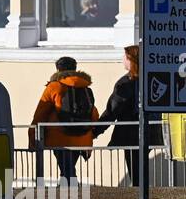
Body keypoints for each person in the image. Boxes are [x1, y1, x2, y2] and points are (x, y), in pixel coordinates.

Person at [98, 46, 162, 187]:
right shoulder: (152, 78)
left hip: (132, 133)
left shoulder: (126, 82)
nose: (122, 59)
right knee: (140, 164)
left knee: (135, 166)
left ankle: (141, 197)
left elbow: (112, 110)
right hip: (153, 129)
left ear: (131, 60)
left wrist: (95, 130)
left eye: (125, 56)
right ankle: (142, 194)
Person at [30, 56, 97, 181]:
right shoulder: (85, 88)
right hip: (82, 136)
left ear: (57, 70)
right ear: (75, 69)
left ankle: (70, 193)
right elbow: (93, 113)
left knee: (67, 171)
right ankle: (68, 190)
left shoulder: (54, 87)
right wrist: (91, 134)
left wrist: (32, 137)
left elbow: (41, 113)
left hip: (59, 137)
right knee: (68, 169)